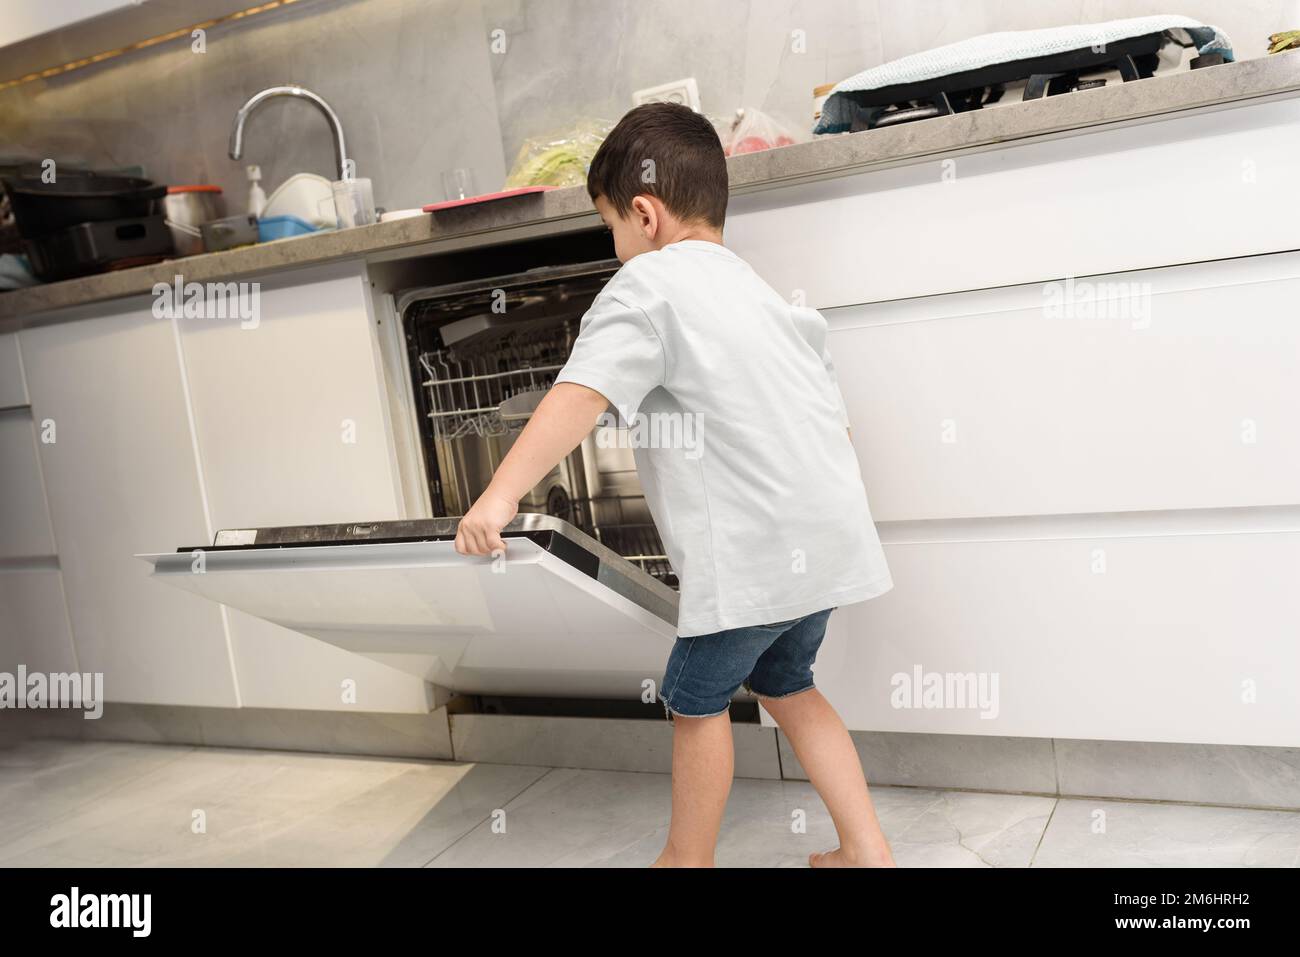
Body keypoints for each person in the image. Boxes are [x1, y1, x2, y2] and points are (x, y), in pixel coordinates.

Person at [454, 102, 896, 868]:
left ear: (645, 215)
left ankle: (683, 861)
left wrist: (499, 496)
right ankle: (867, 848)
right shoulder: (767, 297)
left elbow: (577, 397)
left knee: (694, 703)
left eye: (611, 229)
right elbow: (835, 426)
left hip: (751, 558)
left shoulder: (645, 290)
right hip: (823, 544)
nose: (616, 248)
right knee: (791, 686)